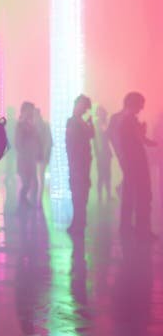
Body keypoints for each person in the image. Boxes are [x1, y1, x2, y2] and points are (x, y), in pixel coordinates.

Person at [110, 92, 157, 239]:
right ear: (133, 104)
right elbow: (138, 141)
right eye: (140, 105)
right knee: (143, 196)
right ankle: (142, 230)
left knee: (130, 196)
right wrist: (143, 135)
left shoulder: (121, 119)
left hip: (130, 163)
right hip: (136, 163)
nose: (142, 108)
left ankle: (128, 228)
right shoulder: (128, 120)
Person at [65, 95, 95, 235]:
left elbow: (90, 136)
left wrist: (90, 125)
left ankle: (79, 222)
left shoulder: (78, 122)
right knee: (79, 193)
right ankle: (78, 222)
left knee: (80, 193)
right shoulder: (74, 122)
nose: (83, 109)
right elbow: (72, 144)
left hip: (80, 164)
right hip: (78, 164)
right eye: (82, 106)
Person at [15, 102, 40, 206]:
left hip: (30, 159)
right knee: (26, 182)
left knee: (31, 182)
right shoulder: (21, 125)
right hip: (24, 159)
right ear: (24, 111)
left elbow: (35, 141)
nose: (31, 112)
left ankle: (26, 202)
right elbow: (18, 143)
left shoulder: (31, 125)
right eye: (30, 110)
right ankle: (22, 201)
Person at [93, 106, 113, 203]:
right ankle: (103, 196)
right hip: (102, 153)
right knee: (104, 174)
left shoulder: (100, 124)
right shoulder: (99, 124)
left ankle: (104, 196)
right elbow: (97, 139)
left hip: (103, 153)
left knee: (105, 174)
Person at [36, 108, 52, 204]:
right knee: (40, 178)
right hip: (42, 156)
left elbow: (48, 141)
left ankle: (38, 200)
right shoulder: (45, 125)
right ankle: (38, 200)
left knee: (39, 178)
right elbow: (49, 141)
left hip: (40, 156)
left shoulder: (40, 125)